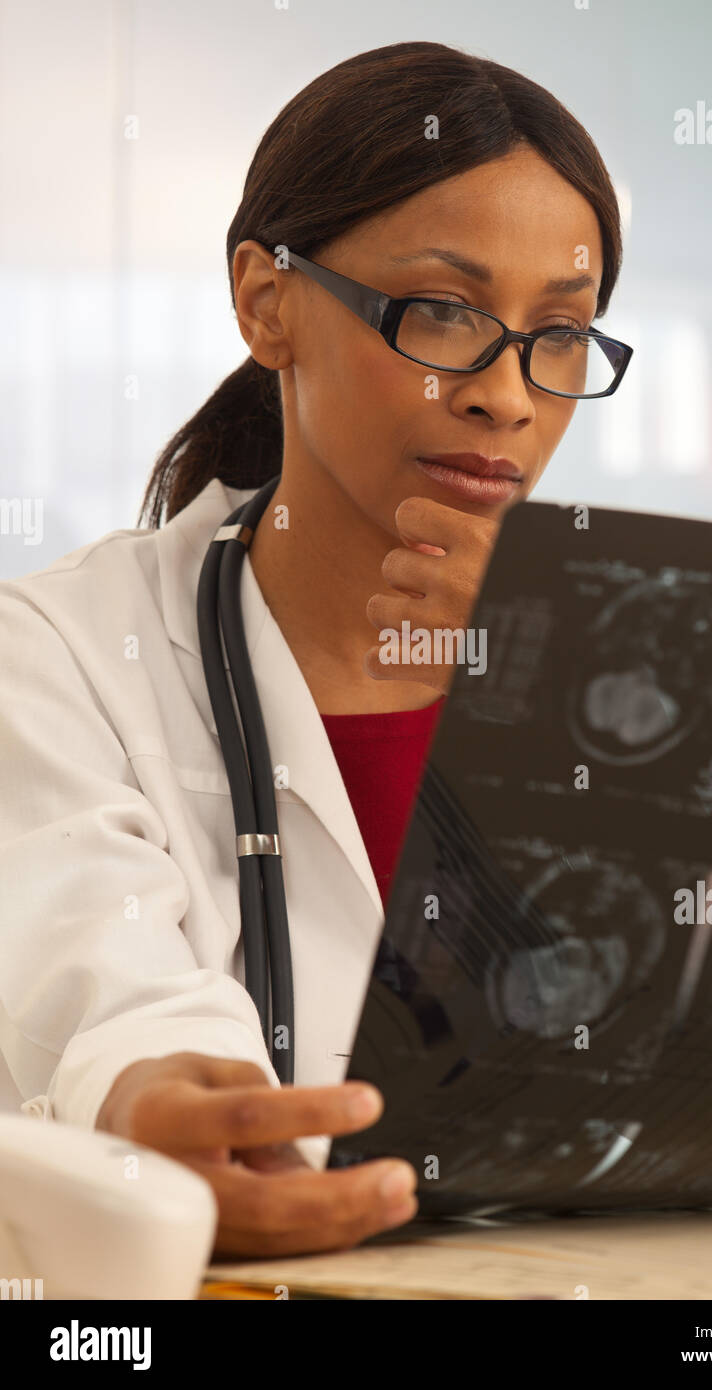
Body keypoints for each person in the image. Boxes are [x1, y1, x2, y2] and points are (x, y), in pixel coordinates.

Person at [0, 39, 625, 1257]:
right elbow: (90, 977)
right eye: (443, 311)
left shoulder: (635, 688)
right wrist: (161, 1104)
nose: (507, 395)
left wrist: (529, 704)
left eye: (558, 334)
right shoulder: (63, 653)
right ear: (266, 300)